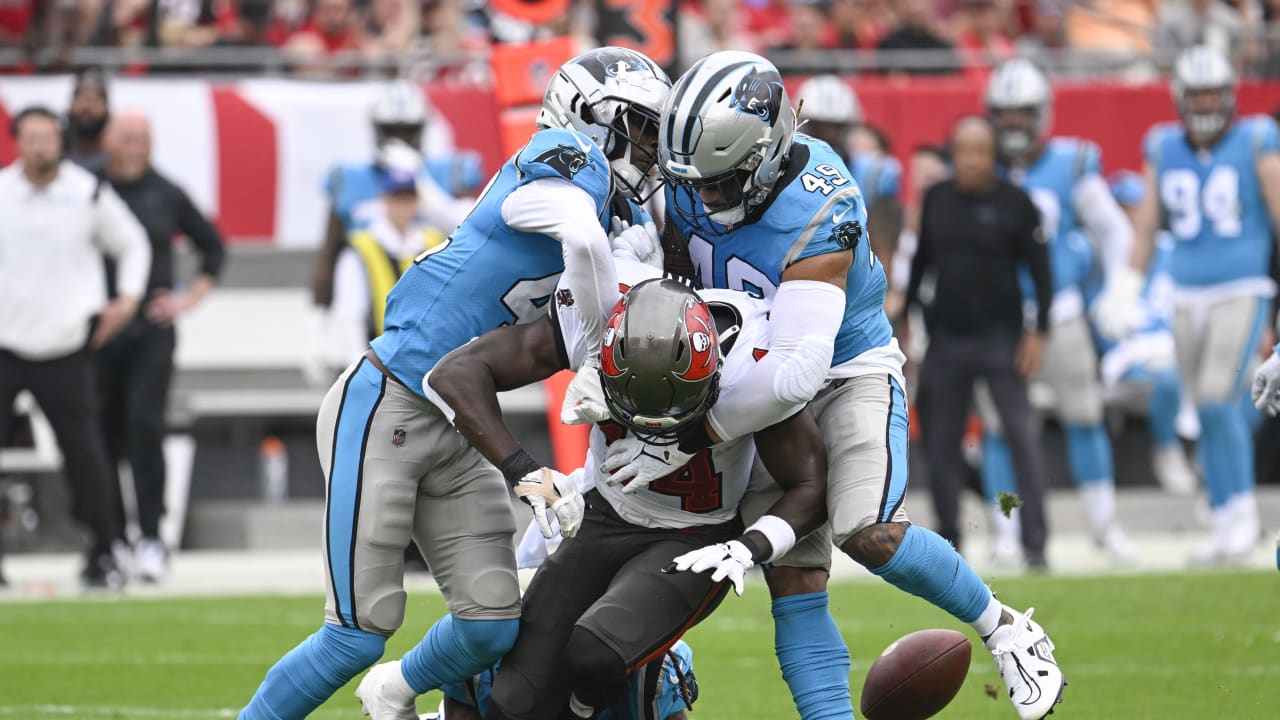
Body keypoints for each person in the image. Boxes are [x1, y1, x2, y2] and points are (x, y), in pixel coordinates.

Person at [237, 47, 673, 720]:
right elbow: (582, 247)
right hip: (386, 400)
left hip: (460, 417)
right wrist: (593, 353)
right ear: (589, 116)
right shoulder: (565, 155)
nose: (648, 145)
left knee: (490, 624)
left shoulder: (617, 208)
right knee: (355, 631)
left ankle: (394, 692)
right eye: (639, 125)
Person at [650, 53, 1064, 720]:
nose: (702, 198)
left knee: (866, 528)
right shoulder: (688, 178)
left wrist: (696, 430)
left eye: (720, 183)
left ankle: (1006, 626)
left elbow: (796, 375)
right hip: (751, 372)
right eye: (691, 181)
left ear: (763, 153)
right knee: (792, 578)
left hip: (840, 369)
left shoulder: (823, 202)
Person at [359, 266, 829, 720]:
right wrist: (525, 473)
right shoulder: (593, 320)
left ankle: (614, 685)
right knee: (517, 698)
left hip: (693, 538)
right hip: (604, 515)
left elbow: (809, 482)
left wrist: (750, 546)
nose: (652, 428)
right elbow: (454, 375)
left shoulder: (755, 363)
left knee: (595, 655)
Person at [1094, 45, 1280, 564]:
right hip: (1185, 291)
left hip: (1242, 288)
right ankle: (1223, 518)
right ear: (1180, 97)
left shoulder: (1258, 138)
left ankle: (1242, 516)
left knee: (1222, 401)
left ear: (1229, 96)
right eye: (1195, 93)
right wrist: (1128, 282)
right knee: (1200, 410)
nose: (1203, 103)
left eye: (1211, 93)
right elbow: (1149, 221)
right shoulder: (1163, 145)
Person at [983, 58, 1138, 564]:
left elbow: (1114, 231)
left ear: (1042, 113)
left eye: (1021, 113)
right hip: (999, 318)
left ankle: (1104, 527)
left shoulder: (1071, 162)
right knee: (1000, 428)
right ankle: (1006, 532)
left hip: (1063, 313)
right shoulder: (980, 165)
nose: (1012, 124)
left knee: (1085, 417)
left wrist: (1119, 288)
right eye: (1003, 114)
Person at [0, 105, 150, 589]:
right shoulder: (3, 192)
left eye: (48, 137)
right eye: (31, 137)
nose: (40, 146)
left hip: (65, 346)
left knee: (86, 455)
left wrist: (127, 299)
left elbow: (132, 243)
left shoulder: (86, 193)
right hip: (6, 344)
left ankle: (104, 551)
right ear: (17, 140)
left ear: (61, 141)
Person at [907, 115, 1054, 569]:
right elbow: (921, 266)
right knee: (939, 443)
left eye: (981, 150)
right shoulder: (936, 199)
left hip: (1001, 339)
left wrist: (1039, 331)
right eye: (964, 150)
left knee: (1020, 436)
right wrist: (907, 318)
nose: (971, 160)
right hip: (947, 338)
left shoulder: (1017, 202)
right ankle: (950, 542)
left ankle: (1035, 543)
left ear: (994, 156)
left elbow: (1042, 273)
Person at [96, 110, 225, 582]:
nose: (134, 145)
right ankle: (110, 537)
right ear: (109, 138)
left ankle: (151, 536)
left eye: (142, 137)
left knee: (144, 427)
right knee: (102, 436)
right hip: (99, 330)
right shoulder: (89, 186)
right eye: (126, 136)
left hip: (150, 329)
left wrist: (186, 299)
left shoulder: (165, 191)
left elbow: (213, 247)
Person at [309, 79, 475, 309]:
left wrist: (419, 177)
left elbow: (470, 234)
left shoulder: (448, 174)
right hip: (369, 304)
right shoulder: (347, 179)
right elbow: (329, 255)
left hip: (436, 303)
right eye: (392, 131)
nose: (400, 139)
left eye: (407, 132)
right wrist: (319, 318)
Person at [65, 66, 111, 172]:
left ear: (107, 109)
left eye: (95, 100)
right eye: (82, 99)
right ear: (70, 106)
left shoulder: (116, 163)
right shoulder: (56, 159)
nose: (87, 107)